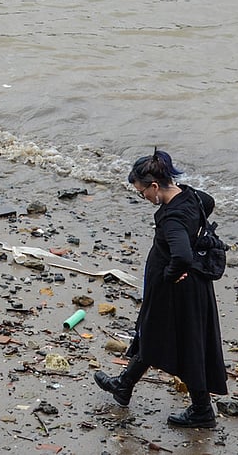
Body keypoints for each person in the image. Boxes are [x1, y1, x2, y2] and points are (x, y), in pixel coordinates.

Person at [94, 149, 228, 428]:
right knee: (152, 333)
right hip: (189, 287)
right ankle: (124, 385)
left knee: (188, 345)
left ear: (155, 186)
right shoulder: (190, 196)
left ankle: (202, 410)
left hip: (178, 291)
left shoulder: (172, 217)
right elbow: (209, 202)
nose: (143, 197)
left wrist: (171, 275)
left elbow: (180, 254)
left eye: (142, 192)